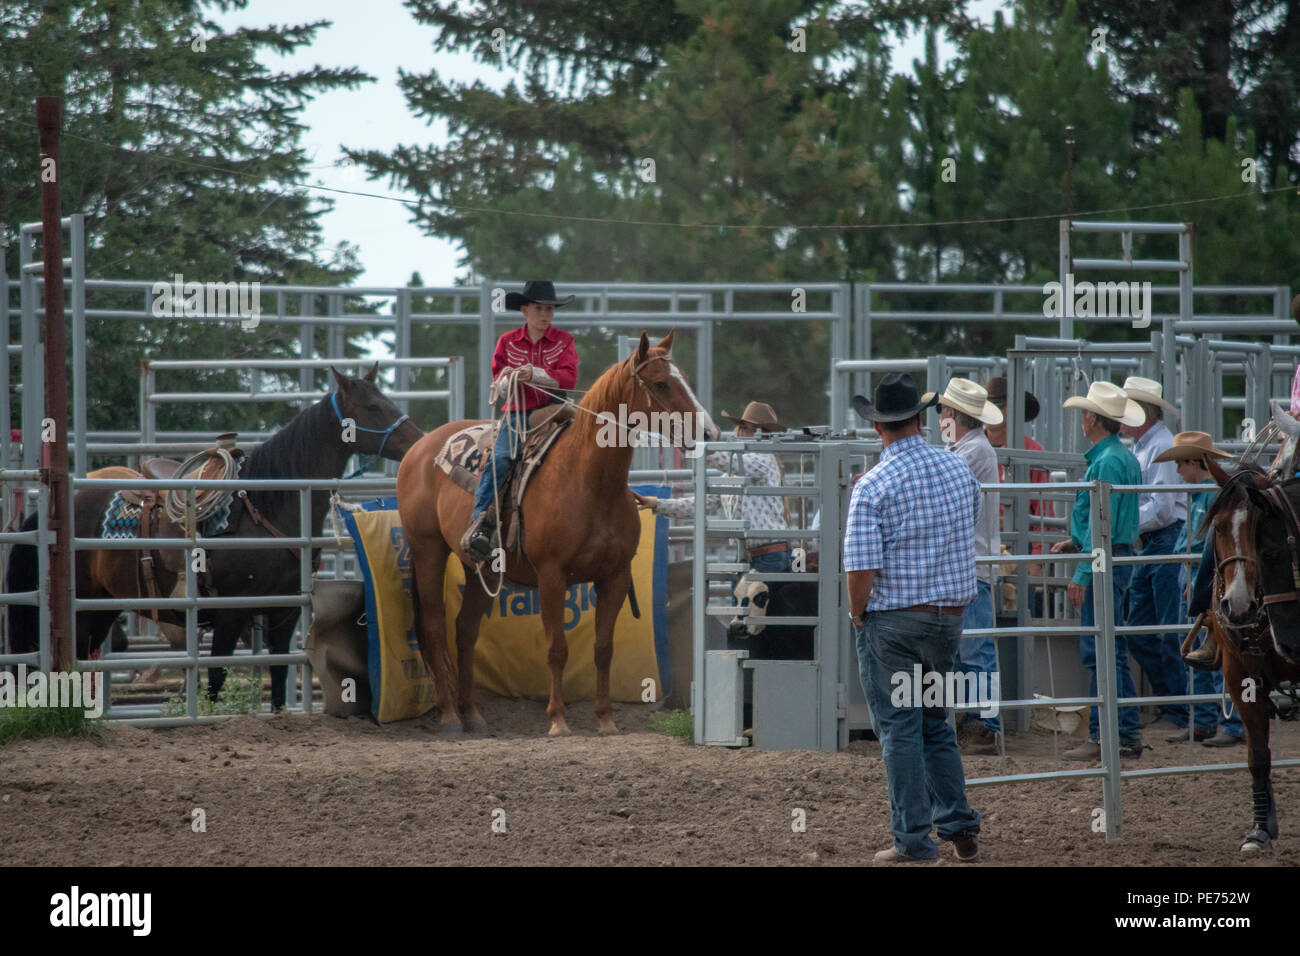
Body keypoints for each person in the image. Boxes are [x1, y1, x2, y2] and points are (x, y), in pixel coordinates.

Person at [844, 372, 982, 864]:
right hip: (947, 620)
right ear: (921, 419)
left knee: (899, 730)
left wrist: (856, 616)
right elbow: (970, 521)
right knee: (934, 723)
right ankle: (960, 827)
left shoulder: (873, 485)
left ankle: (913, 841)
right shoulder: (957, 469)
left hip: (895, 623)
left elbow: (861, 569)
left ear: (878, 427)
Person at [1050, 381, 1146, 761]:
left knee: (1100, 649)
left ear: (1093, 419)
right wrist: (1078, 543)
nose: (1082, 420)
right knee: (1113, 648)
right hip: (1115, 556)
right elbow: (1111, 521)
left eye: (1084, 414)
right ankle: (1125, 732)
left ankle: (1107, 735)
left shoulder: (1105, 462)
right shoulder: (1123, 458)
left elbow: (1102, 523)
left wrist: (1082, 572)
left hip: (1103, 561)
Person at [462, 280, 578, 562]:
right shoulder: (507, 342)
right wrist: (509, 379)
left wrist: (534, 373)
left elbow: (569, 378)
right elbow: (498, 381)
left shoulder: (564, 341)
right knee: (500, 459)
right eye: (539, 308)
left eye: (549, 309)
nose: (545, 315)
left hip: (557, 409)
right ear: (525, 310)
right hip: (518, 415)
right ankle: (480, 522)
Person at [1152, 431, 1244, 746]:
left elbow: (1208, 544)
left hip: (1198, 575)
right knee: (1200, 648)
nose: (1178, 470)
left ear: (1195, 462)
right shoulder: (1203, 493)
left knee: (1213, 648)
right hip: (1190, 572)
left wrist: (1196, 581)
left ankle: (1227, 723)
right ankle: (1210, 721)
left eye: (1181, 464)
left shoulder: (1209, 495)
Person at [927, 378, 1003, 755]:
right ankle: (976, 719)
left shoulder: (972, 452)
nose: (941, 417)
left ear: (954, 415)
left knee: (975, 649)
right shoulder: (971, 448)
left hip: (972, 564)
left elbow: (939, 486)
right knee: (966, 649)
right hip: (966, 564)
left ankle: (986, 724)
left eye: (943, 411)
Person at [632, 402, 791, 573]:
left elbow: (724, 461)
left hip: (769, 556)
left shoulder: (763, 459)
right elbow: (701, 504)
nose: (744, 433)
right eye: (743, 427)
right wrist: (657, 504)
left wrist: (696, 443)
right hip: (749, 556)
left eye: (752, 429)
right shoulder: (732, 472)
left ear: (764, 435)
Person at [1119, 376, 1193, 733]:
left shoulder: (1158, 445)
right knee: (1146, 629)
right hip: (1156, 540)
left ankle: (1177, 709)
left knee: (1161, 628)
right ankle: (1174, 705)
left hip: (1163, 538)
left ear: (1141, 412)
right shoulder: (1148, 445)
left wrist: (1124, 524)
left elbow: (1162, 509)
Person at [985, 377, 1054, 612]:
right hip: (981, 543)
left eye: (999, 405)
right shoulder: (970, 449)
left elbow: (1043, 512)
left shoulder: (1033, 453)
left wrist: (1035, 559)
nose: (995, 412)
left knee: (1019, 614)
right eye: (990, 406)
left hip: (1018, 547)